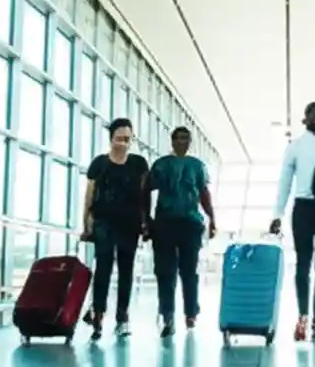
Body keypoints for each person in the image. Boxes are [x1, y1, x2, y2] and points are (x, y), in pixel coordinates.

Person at [270, 101, 315, 343]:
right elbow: (285, 181)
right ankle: (303, 317)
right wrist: (277, 213)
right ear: (305, 119)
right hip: (303, 209)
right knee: (303, 265)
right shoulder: (295, 147)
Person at [80, 118, 149, 340]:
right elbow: (89, 196)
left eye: (128, 139)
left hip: (129, 225)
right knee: (103, 269)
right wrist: (86, 224)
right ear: (111, 138)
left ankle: (122, 318)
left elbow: (144, 196)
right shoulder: (99, 163)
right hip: (104, 223)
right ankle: (98, 316)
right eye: (119, 138)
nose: (123, 143)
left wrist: (146, 222)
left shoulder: (138, 164)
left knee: (126, 271)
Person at [145, 126, 216, 338]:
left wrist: (212, 218)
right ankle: (167, 314)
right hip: (165, 224)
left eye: (187, 138)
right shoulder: (161, 165)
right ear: (172, 141)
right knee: (165, 272)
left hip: (190, 225)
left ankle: (191, 312)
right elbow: (145, 191)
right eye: (179, 138)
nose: (183, 142)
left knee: (189, 271)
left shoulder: (197, 166)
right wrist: (146, 219)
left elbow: (204, 193)